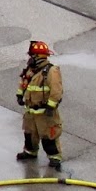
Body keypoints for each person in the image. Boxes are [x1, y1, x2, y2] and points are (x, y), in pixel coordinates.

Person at [15, 40, 63, 170]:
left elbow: (56, 91)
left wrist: (51, 106)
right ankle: (30, 152)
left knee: (48, 136)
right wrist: (20, 95)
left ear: (38, 56)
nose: (30, 58)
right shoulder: (31, 70)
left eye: (32, 55)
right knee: (30, 133)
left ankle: (54, 157)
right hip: (31, 111)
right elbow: (24, 83)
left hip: (45, 112)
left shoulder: (51, 71)